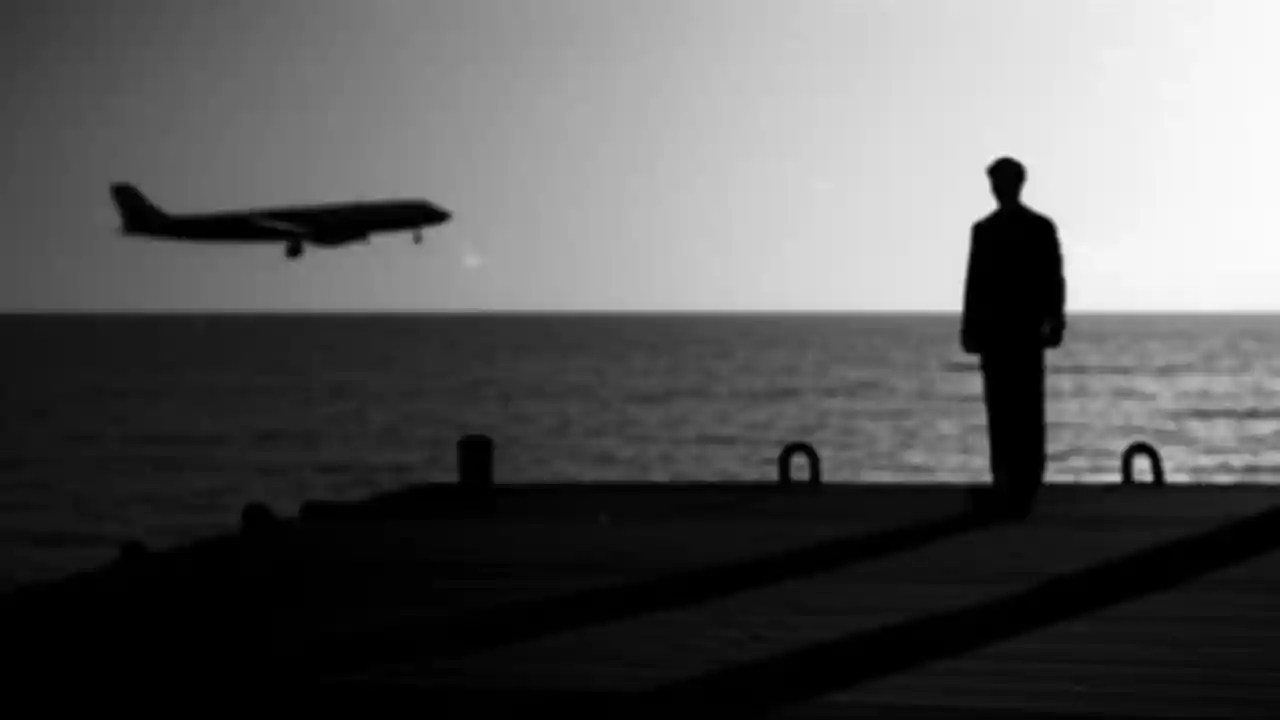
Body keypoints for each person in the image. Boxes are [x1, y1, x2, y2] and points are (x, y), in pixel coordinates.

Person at [961, 156, 1065, 519]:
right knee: (1010, 411)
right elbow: (975, 283)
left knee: (1016, 411)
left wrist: (1055, 320)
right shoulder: (994, 229)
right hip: (1006, 333)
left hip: (1016, 333)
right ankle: (1011, 483)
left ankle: (1019, 483)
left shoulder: (1030, 228)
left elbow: (1053, 277)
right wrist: (970, 326)